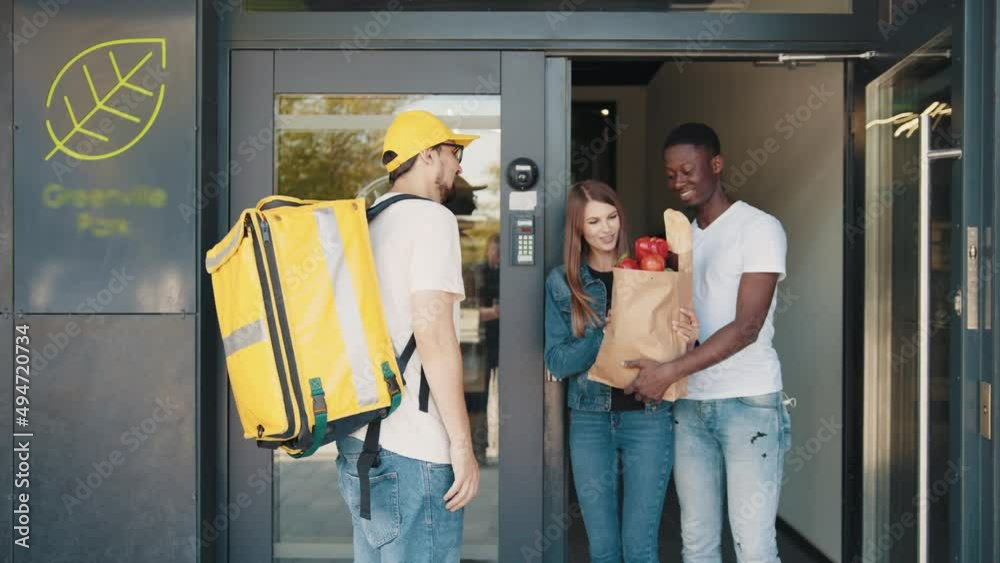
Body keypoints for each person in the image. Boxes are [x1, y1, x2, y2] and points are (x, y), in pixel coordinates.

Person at [625, 123, 792, 562]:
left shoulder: (758, 228)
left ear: (716, 165)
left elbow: (747, 327)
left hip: (747, 404)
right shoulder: (683, 243)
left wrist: (668, 373)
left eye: (688, 170)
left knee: (753, 547)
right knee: (697, 543)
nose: (678, 181)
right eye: (671, 174)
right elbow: (681, 325)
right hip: (691, 405)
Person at [335, 110, 480, 563]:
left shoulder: (368, 223)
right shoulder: (432, 220)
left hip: (361, 442)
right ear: (428, 155)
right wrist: (462, 443)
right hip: (414, 449)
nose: (459, 166)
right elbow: (433, 335)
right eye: (454, 154)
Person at [544, 179, 698, 563]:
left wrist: (690, 340)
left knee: (640, 548)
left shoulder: (655, 273)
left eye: (611, 216)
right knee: (604, 550)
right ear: (578, 228)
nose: (606, 228)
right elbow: (557, 361)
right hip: (589, 421)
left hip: (648, 418)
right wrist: (602, 333)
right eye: (594, 222)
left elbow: (672, 352)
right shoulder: (563, 283)